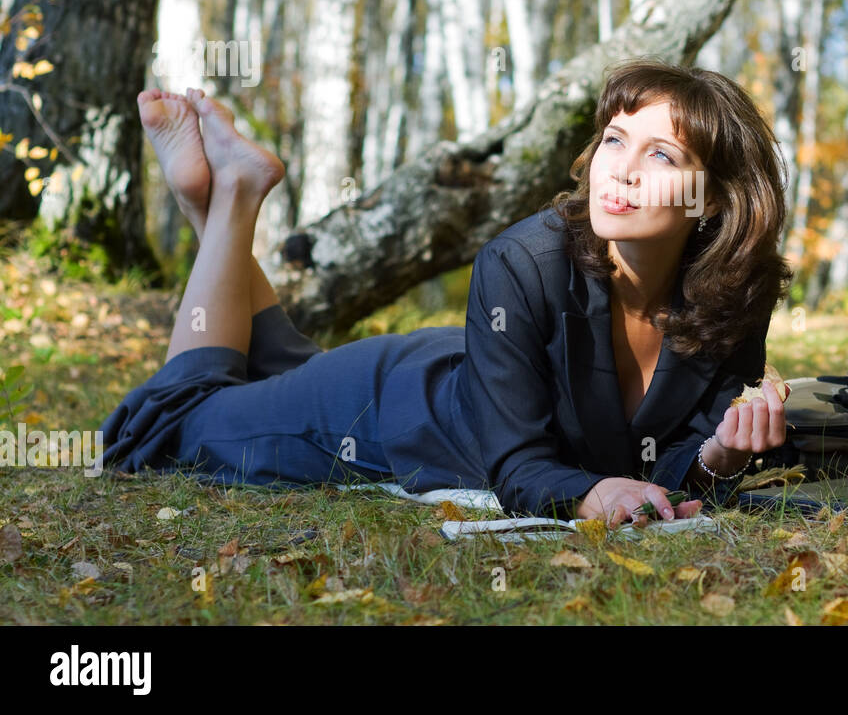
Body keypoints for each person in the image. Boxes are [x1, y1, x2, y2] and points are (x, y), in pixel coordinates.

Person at [100, 56, 794, 528]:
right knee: (176, 426)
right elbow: (519, 468)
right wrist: (591, 493)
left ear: (712, 200)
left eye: (662, 155)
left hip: (468, 369)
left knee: (271, 358)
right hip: (378, 411)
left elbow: (670, 455)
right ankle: (234, 193)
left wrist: (720, 455)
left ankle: (214, 204)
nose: (623, 170)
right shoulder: (523, 262)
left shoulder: (736, 292)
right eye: (615, 140)